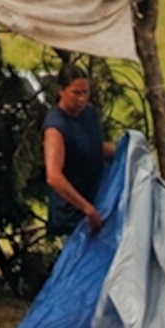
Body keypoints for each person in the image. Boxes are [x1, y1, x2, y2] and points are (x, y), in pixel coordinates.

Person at [41, 70, 116, 237]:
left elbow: (92, 147)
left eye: (85, 92)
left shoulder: (89, 113)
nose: (81, 99)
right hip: (73, 217)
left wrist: (123, 151)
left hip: (97, 201)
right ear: (61, 91)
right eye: (76, 93)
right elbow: (54, 177)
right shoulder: (55, 128)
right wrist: (86, 208)